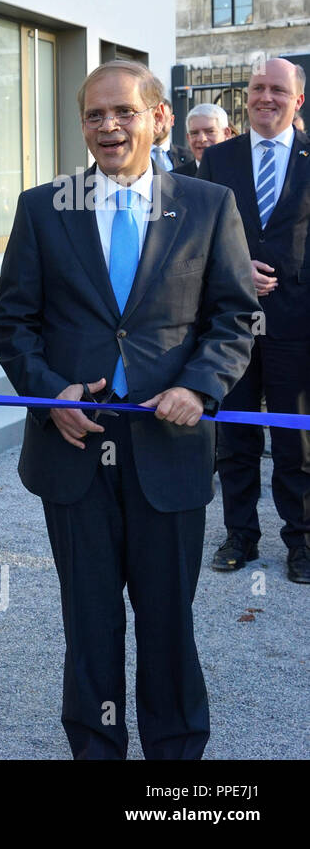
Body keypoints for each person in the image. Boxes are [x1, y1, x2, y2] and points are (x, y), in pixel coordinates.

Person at [0, 59, 257, 758]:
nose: (109, 126)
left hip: (168, 452)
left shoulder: (206, 205)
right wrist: (50, 394)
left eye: (125, 112)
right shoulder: (43, 208)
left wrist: (199, 387)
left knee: (168, 622)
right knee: (90, 622)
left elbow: (234, 317)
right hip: (73, 450)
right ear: (82, 125)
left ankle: (174, 759)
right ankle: (95, 748)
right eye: (94, 115)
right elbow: (13, 322)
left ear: (159, 118)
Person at [197, 58, 310, 583]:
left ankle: (302, 542)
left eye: (278, 90)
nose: (266, 97)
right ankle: (240, 534)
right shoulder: (218, 160)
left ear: (298, 100)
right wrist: (235, 266)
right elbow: (197, 236)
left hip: (298, 326)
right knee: (235, 437)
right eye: (258, 88)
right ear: (246, 95)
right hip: (231, 323)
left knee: (297, 439)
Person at [175, 102, 234, 177]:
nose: (201, 139)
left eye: (210, 131)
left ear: (226, 133)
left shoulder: (244, 172)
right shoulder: (174, 179)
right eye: (194, 133)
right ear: (188, 138)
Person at [150, 99, 190, 173]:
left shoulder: (189, 157)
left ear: (172, 120)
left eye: (162, 118)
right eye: (153, 118)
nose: (157, 123)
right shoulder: (132, 157)